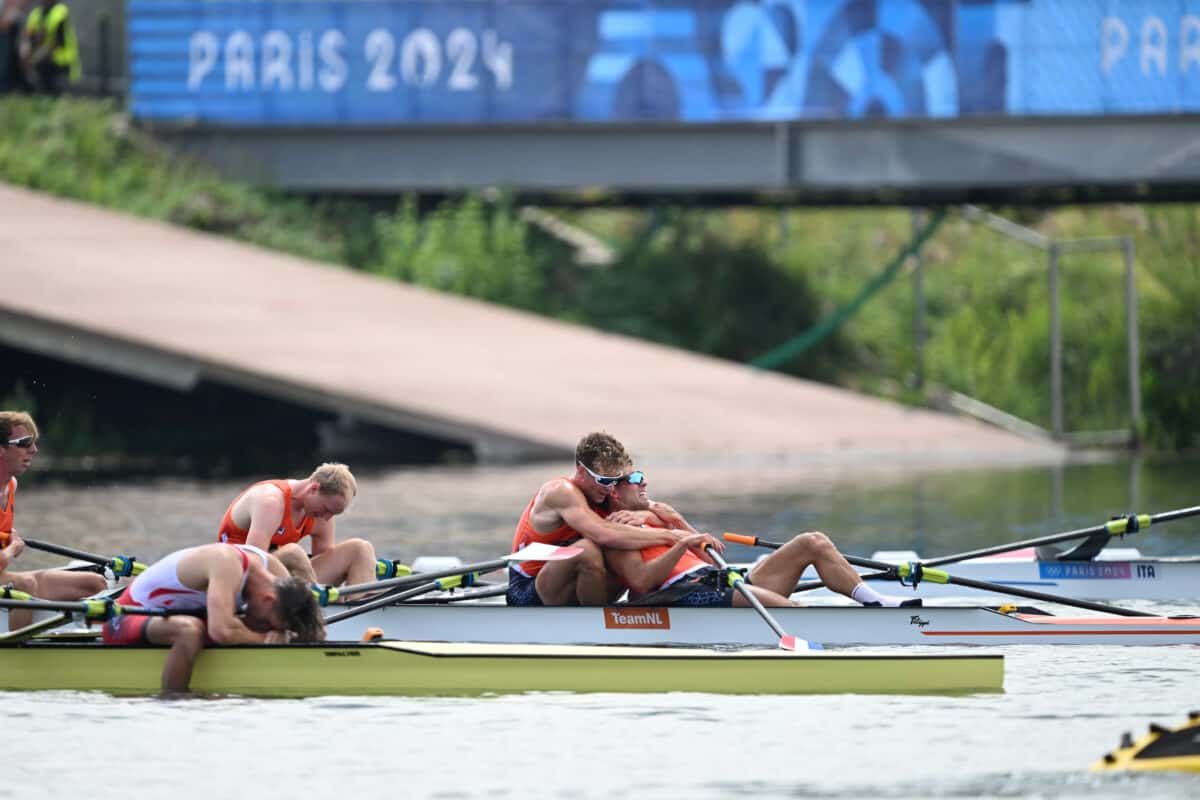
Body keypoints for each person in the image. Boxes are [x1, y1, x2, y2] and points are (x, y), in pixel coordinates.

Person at [603, 466, 922, 609]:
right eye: (635, 478)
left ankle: (876, 602)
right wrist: (679, 539)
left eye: (642, 476)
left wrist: (674, 521)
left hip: (722, 579)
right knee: (794, 610)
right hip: (691, 593)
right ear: (615, 492)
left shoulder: (658, 516)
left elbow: (711, 554)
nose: (644, 483)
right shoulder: (615, 529)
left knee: (813, 541)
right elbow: (642, 582)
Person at [101, 542, 324, 693]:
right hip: (125, 617)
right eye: (270, 622)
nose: (267, 627)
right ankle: (174, 700)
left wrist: (290, 637)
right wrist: (264, 640)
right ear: (269, 599)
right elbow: (220, 631)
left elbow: (311, 628)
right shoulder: (226, 563)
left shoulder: (276, 574)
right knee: (190, 631)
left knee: (226, 626)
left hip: (171, 619)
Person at [508, 432, 684, 607]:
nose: (609, 488)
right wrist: (670, 537)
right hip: (527, 589)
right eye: (604, 480)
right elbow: (604, 535)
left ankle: (650, 604)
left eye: (615, 480)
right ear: (582, 471)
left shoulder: (601, 493)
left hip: (568, 582)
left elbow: (662, 515)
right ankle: (599, 618)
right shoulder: (560, 491)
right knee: (587, 550)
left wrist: (644, 516)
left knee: (629, 534)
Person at [0, 411, 107, 630]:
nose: (34, 449)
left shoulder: (11, 485)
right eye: (25, 443)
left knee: (94, 583)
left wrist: (8, 537)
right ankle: (16, 649)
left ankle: (89, 638)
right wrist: (13, 548)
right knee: (25, 585)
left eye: (34, 442)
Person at [217, 462, 378, 589]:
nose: (327, 518)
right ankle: (314, 607)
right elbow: (253, 562)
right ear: (314, 488)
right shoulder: (270, 501)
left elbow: (327, 569)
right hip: (238, 577)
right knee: (293, 553)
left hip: (281, 579)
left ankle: (362, 609)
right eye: (326, 509)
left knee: (361, 549)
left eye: (333, 514)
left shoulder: (321, 514)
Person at [19, 0, 78, 95]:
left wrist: (37, 56)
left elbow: (58, 41)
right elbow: (28, 36)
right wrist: (25, 50)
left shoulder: (60, 12)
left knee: (56, 92)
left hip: (61, 64)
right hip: (42, 63)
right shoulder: (36, 14)